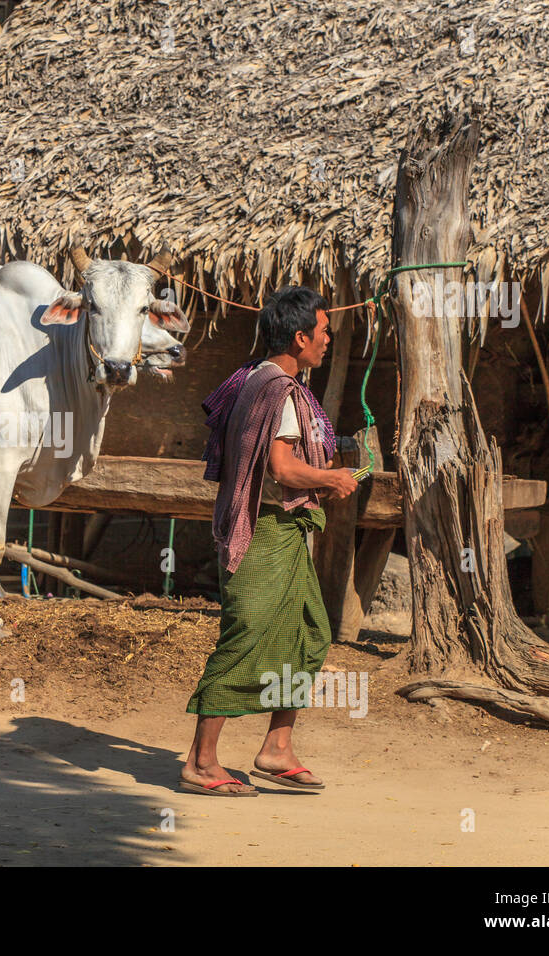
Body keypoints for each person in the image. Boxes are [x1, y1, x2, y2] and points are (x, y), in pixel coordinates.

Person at [179, 287, 358, 796]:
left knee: (309, 633)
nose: (326, 341)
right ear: (300, 338)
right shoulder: (279, 391)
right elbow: (280, 468)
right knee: (244, 640)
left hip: (281, 533)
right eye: (322, 333)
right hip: (261, 533)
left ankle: (277, 748)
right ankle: (200, 762)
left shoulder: (252, 379)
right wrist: (330, 479)